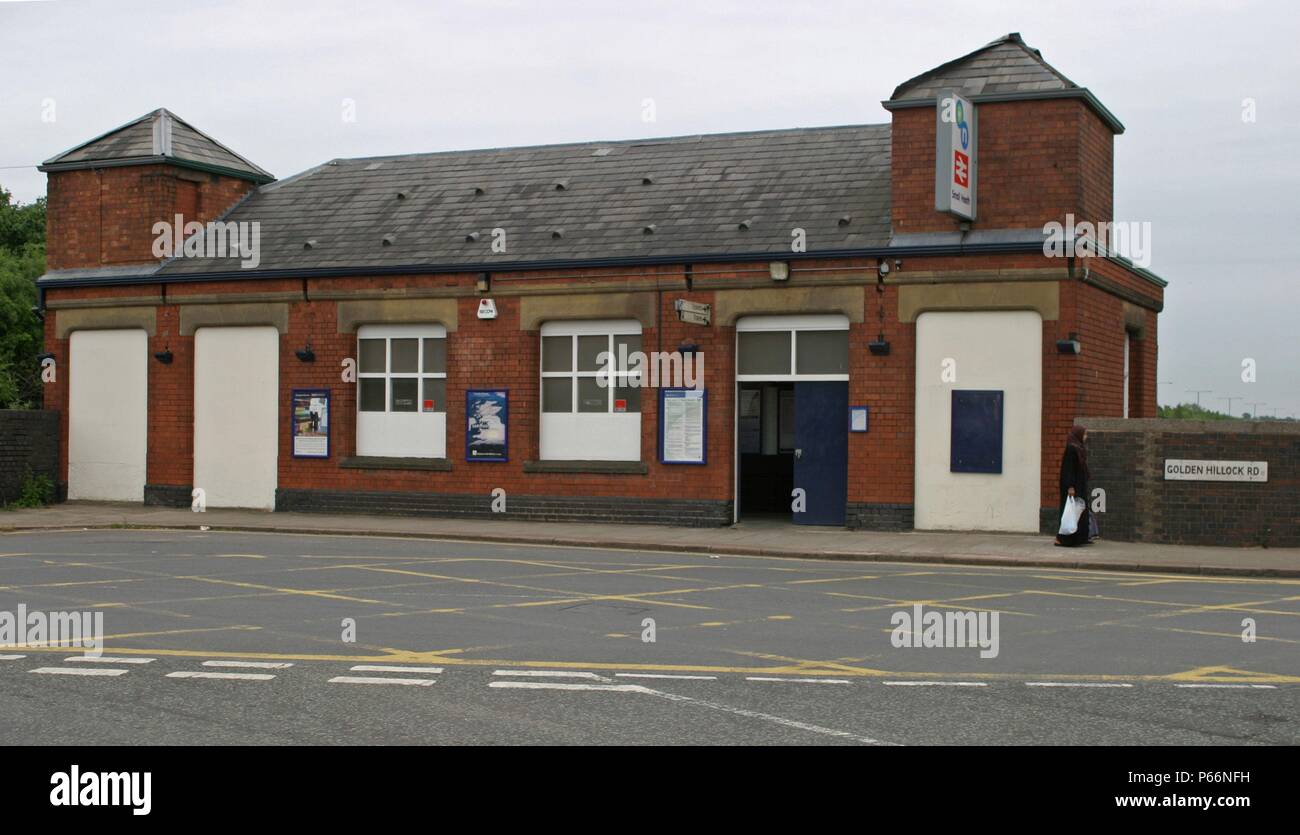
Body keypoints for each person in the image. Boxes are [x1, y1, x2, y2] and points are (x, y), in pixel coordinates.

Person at [1055, 426, 1091, 547]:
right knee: (1071, 512)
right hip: (1073, 487)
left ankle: (1079, 538)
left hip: (1079, 485)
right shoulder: (1071, 449)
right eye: (1085, 434)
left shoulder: (1078, 448)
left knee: (1079, 511)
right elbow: (1068, 469)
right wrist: (1070, 486)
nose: (1086, 437)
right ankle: (1064, 538)